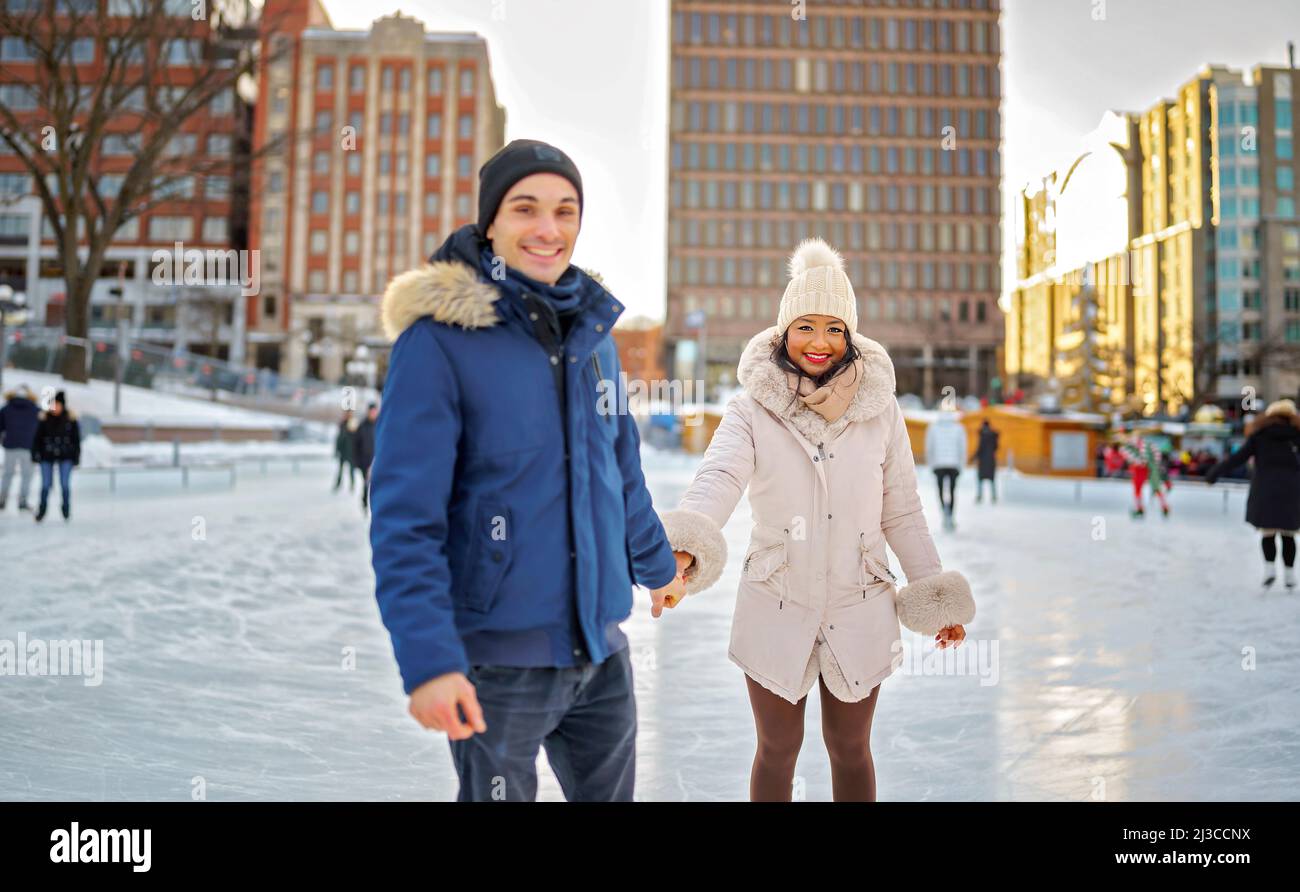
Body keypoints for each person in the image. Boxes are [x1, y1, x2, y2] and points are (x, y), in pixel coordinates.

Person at [369, 139, 685, 802]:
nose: (549, 228)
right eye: (526, 209)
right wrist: (429, 662)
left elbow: (620, 471)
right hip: (498, 661)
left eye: (566, 211)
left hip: (600, 652)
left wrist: (657, 569)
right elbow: (405, 520)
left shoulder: (594, 342)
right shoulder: (438, 344)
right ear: (491, 223)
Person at [656, 238, 974, 802]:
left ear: (850, 335)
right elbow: (719, 478)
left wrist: (934, 595)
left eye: (834, 328)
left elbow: (901, 508)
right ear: (783, 332)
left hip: (859, 599)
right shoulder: (753, 409)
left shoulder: (881, 411)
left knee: (850, 748)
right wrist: (686, 549)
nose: (820, 342)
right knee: (776, 749)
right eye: (805, 326)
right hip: (777, 597)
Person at [1206, 398, 1300, 588]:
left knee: (1268, 532)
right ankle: (1289, 575)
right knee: (1288, 533)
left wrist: (1214, 474)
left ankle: (1269, 569)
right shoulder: (1297, 436)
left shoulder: (1260, 436)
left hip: (1265, 489)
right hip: (1292, 490)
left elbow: (1237, 458)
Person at [31, 390, 80, 522]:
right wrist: (35, 453)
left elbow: (76, 440)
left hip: (66, 455)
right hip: (47, 455)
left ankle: (65, 508)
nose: (56, 407)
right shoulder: (45, 419)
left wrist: (76, 456)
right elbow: (38, 438)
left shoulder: (70, 419)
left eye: (58, 404)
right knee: (45, 484)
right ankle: (42, 509)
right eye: (54, 404)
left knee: (64, 484)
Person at [925, 405, 968, 531]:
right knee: (952, 491)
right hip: (954, 464)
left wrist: (931, 464)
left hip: (939, 464)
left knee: (940, 490)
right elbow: (963, 448)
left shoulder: (932, 427)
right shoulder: (959, 428)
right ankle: (951, 516)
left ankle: (944, 512)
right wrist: (961, 465)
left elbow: (929, 448)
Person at [0, 383, 40, 512]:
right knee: (27, 475)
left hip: (10, 445)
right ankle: (22, 501)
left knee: (8, 473)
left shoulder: (6, 408)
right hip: (28, 446)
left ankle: (2, 499)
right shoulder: (34, 408)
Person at [1120, 433, 1170, 518]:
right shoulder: (1148, 445)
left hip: (1139, 469)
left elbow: (1132, 458)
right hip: (1149, 467)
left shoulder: (1129, 445)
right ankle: (1164, 506)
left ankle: (1140, 508)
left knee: (1138, 489)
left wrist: (1141, 462)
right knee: (1155, 486)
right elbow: (1156, 455)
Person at [352, 403, 377, 515]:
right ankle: (365, 502)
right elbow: (355, 445)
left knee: (376, 485)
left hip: (376, 461)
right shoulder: (362, 426)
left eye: (375, 411)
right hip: (365, 461)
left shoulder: (380, 424)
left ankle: (374, 505)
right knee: (366, 484)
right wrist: (357, 462)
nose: (373, 414)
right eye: (372, 411)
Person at [972, 419, 999, 504]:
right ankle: (993, 496)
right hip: (991, 461)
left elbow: (980, 449)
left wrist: (973, 457)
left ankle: (980, 496)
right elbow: (996, 448)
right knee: (992, 480)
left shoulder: (983, 436)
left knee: (980, 480)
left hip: (983, 462)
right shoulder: (993, 436)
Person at [333, 409, 356, 492]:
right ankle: (338, 484)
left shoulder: (353, 424)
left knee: (351, 470)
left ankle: (352, 485)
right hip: (343, 451)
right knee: (340, 470)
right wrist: (337, 450)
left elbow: (356, 438)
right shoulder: (342, 424)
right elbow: (339, 438)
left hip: (351, 451)